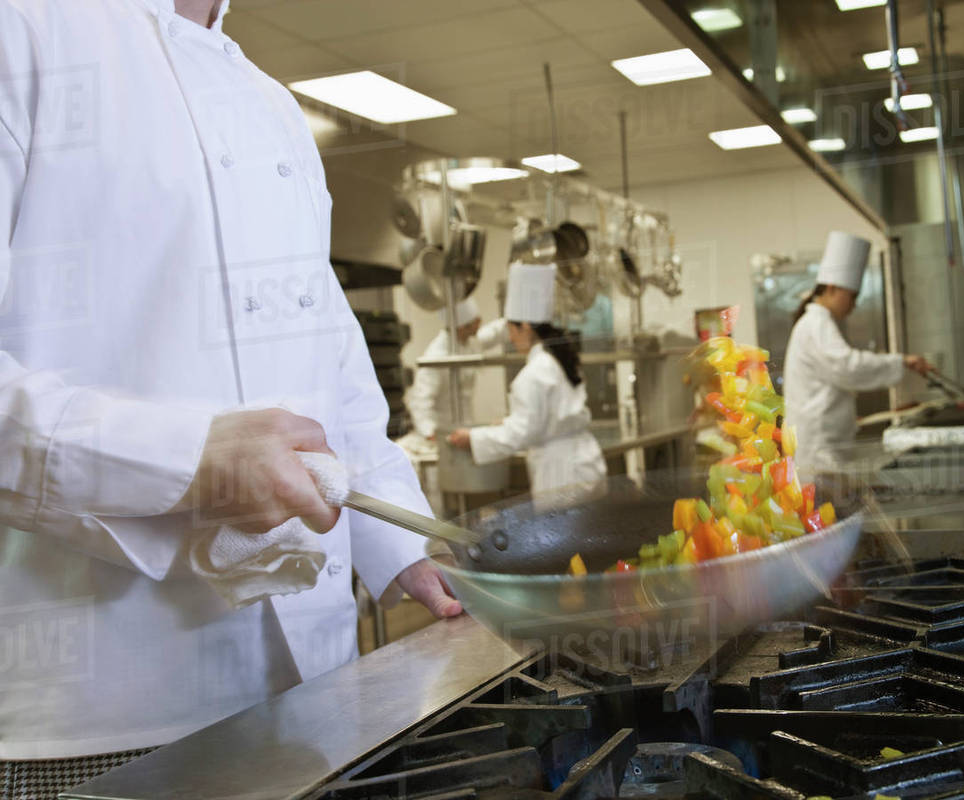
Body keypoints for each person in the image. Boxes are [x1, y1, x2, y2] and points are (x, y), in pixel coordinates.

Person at [0, 0, 458, 793]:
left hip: (317, 681)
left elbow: (334, 367)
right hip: (107, 709)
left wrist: (406, 549)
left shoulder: (274, 106)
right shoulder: (25, 28)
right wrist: (186, 461)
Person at [447, 264, 607, 500]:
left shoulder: (533, 373)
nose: (511, 338)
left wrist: (473, 438)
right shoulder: (559, 360)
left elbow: (520, 433)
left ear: (525, 327)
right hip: (586, 463)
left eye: (512, 330)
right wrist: (509, 421)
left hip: (561, 476)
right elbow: (547, 415)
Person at [783, 232, 932, 469]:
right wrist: (901, 361)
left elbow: (835, 377)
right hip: (818, 449)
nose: (854, 304)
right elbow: (847, 367)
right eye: (852, 296)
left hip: (823, 444)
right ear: (831, 288)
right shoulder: (817, 324)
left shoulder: (818, 323)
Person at [406, 297, 507, 440]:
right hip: (444, 432)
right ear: (461, 327)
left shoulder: (469, 341)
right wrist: (431, 433)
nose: (480, 322)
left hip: (466, 428)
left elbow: (495, 332)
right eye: (475, 321)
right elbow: (420, 402)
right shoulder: (436, 356)